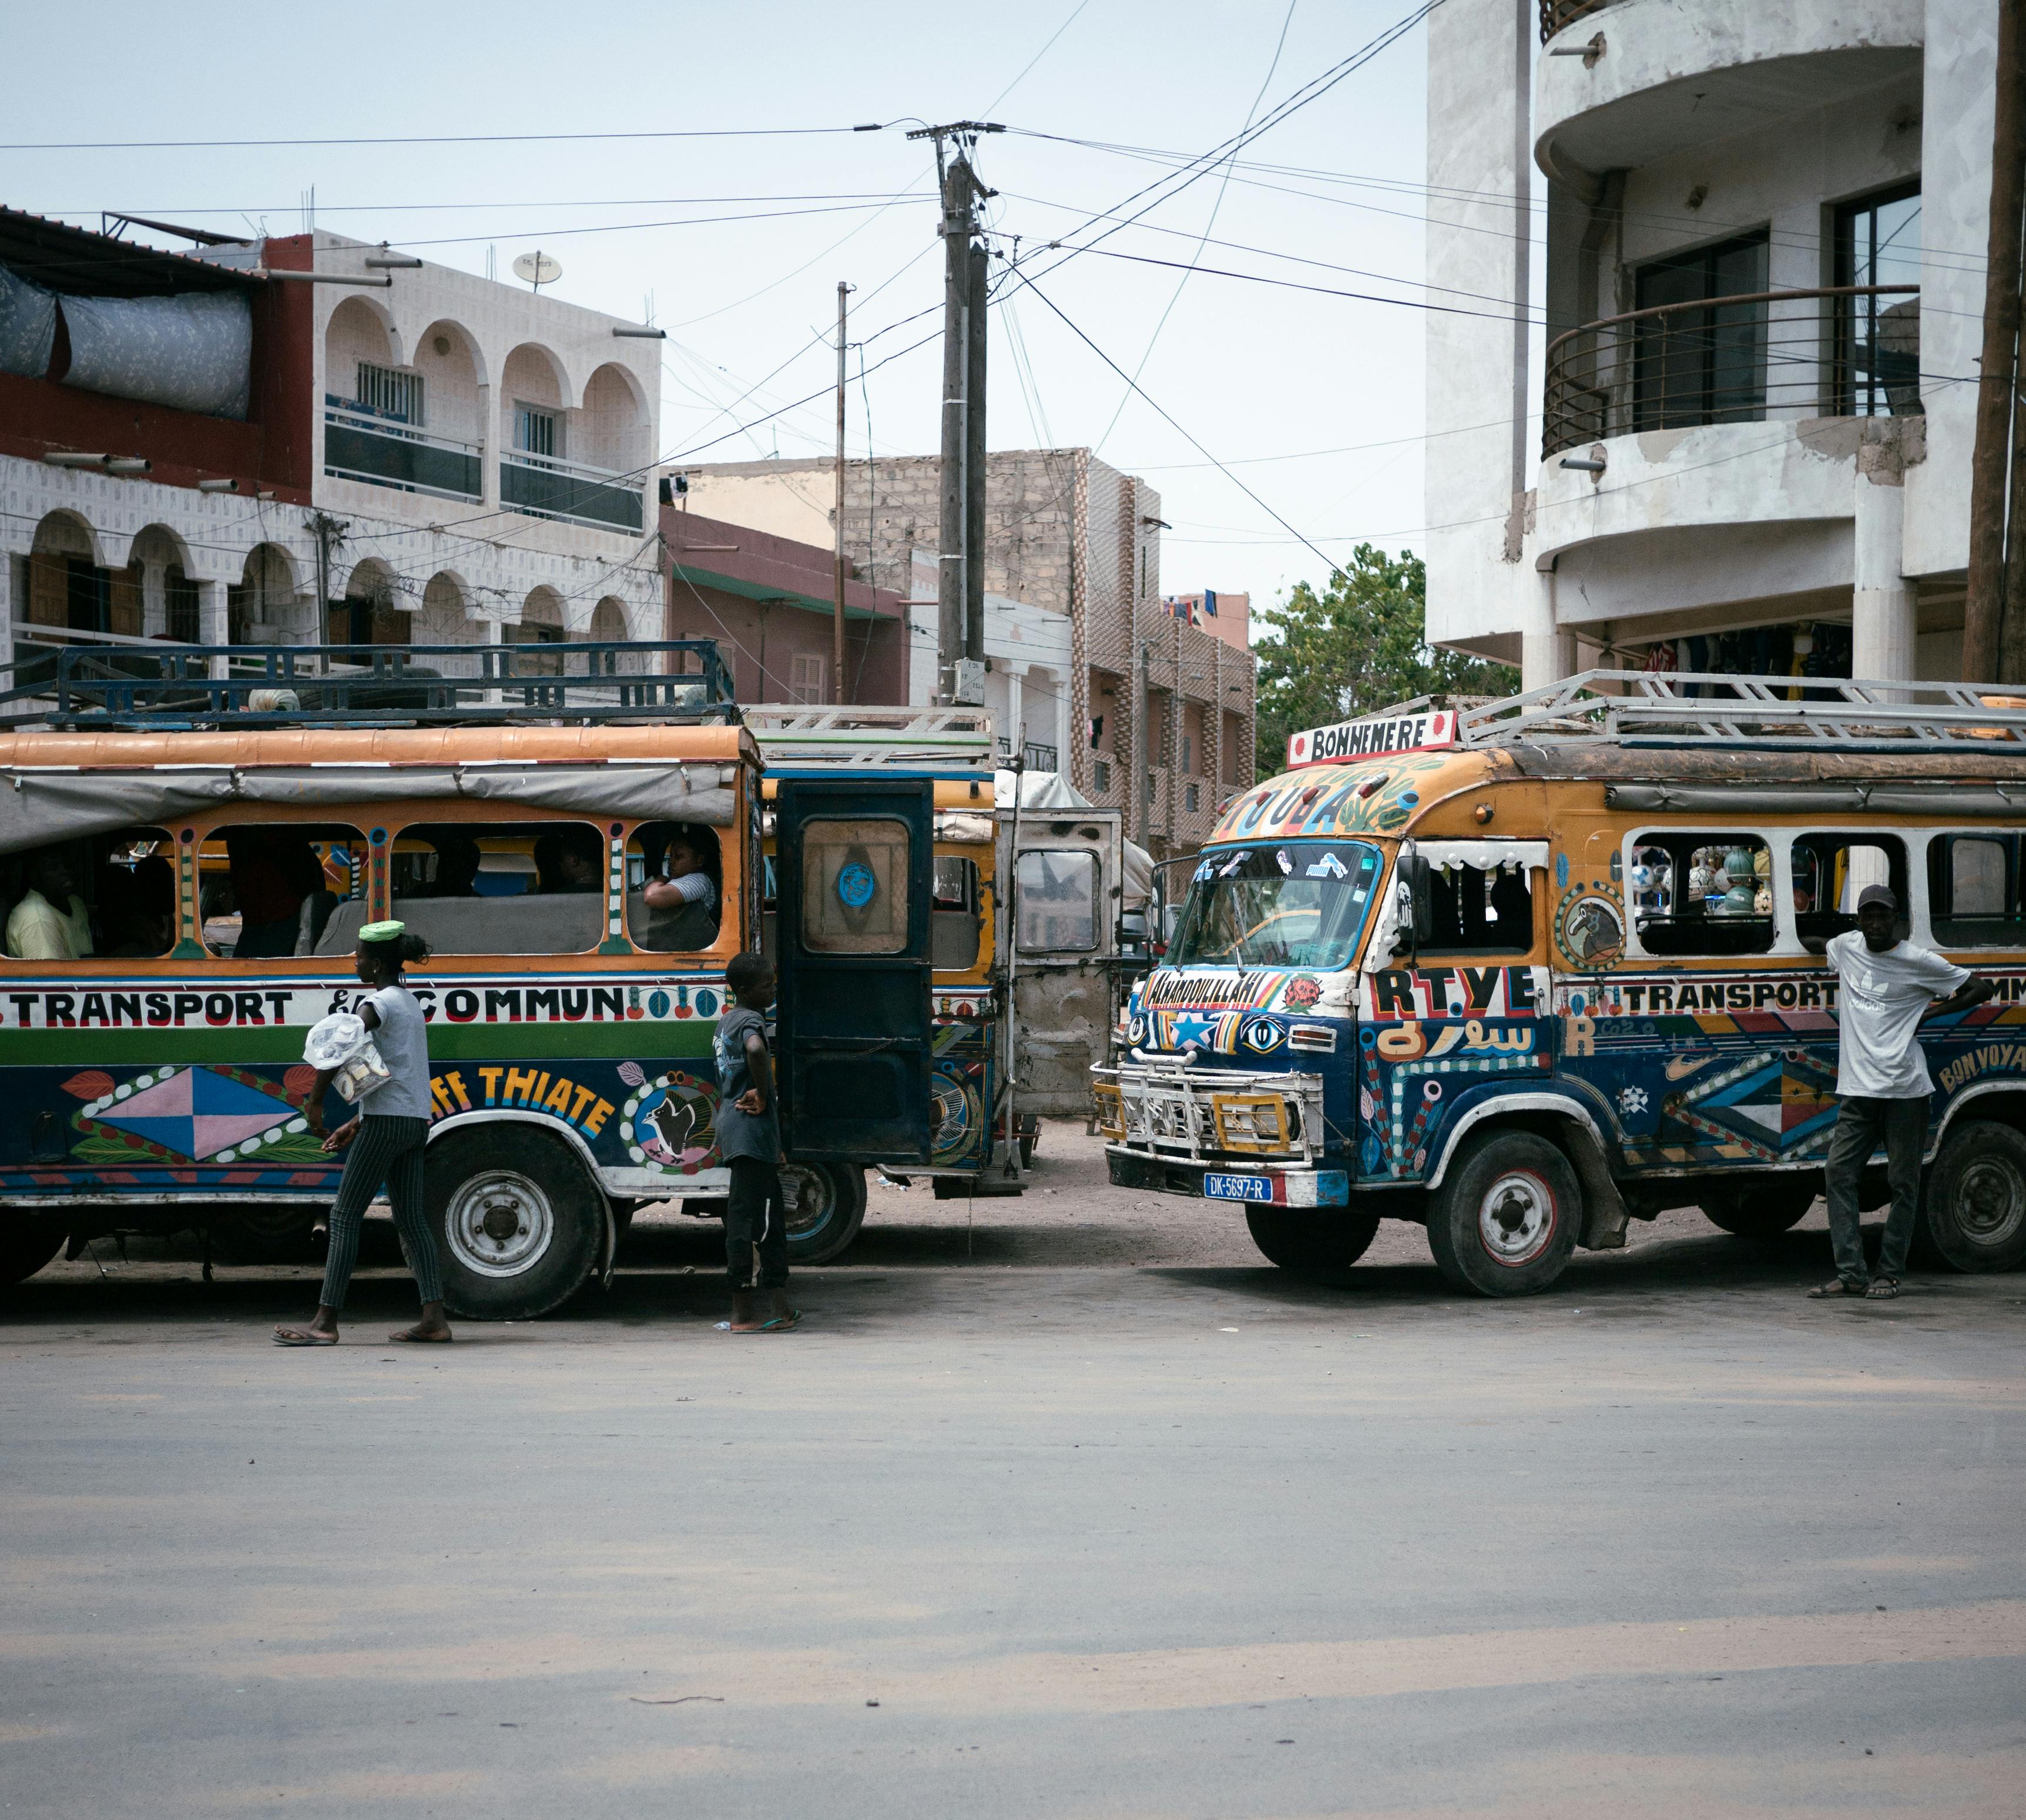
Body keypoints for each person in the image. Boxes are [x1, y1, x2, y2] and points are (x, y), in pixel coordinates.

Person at [1811, 885, 1993, 1301]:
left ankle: (1889, 1274)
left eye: (1883, 917)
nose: (1875, 924)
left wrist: (1929, 1014)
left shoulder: (1917, 960)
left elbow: (1980, 988)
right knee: (1838, 1174)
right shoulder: (1847, 947)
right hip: (1858, 1091)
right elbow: (1818, 943)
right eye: (1867, 916)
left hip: (1905, 1090)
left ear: (1896, 920)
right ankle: (1851, 1273)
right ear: (1858, 920)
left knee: (1903, 1184)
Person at [274, 921, 451, 1346]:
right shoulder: (408, 1001)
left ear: (375, 963)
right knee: (411, 1221)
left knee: (344, 1216)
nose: (354, 962)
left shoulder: (379, 1003)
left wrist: (315, 1101)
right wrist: (357, 1122)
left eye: (358, 957)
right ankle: (434, 1319)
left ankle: (324, 1323)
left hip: (389, 1122)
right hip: (411, 1123)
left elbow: (343, 1041)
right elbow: (399, 1074)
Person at [712, 949, 796, 1333]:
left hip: (741, 1131)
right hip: (749, 1131)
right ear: (746, 990)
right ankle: (744, 1314)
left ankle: (781, 1308)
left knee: (768, 1219)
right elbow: (757, 1050)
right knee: (753, 1223)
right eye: (767, 984)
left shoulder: (726, 1021)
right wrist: (762, 1094)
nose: (773, 988)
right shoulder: (750, 1021)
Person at [638, 825, 720, 950]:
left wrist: (660, 878)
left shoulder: (699, 881)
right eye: (671, 856)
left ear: (699, 860)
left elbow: (652, 897)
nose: (671, 862)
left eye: (679, 857)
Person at [7, 848, 93, 960]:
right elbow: (49, 976)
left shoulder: (75, 903)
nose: (65, 871)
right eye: (53, 867)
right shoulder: (38, 918)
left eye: (67, 864)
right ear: (35, 875)